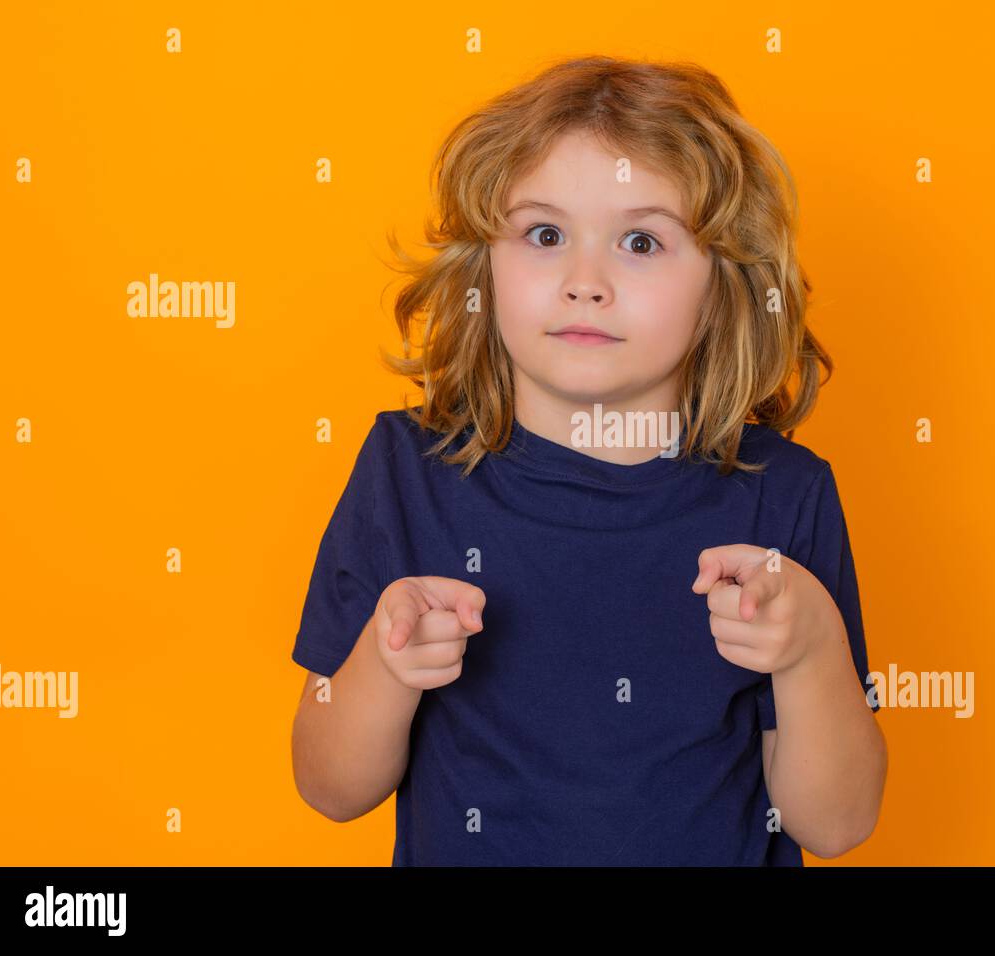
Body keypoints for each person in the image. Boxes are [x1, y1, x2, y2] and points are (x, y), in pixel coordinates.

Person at [290, 54, 886, 866]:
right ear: (485, 268)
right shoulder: (409, 473)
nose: (584, 282)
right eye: (544, 234)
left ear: (723, 283)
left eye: (641, 241)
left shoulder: (783, 495)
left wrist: (815, 648)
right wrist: (385, 668)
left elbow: (836, 823)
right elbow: (330, 787)